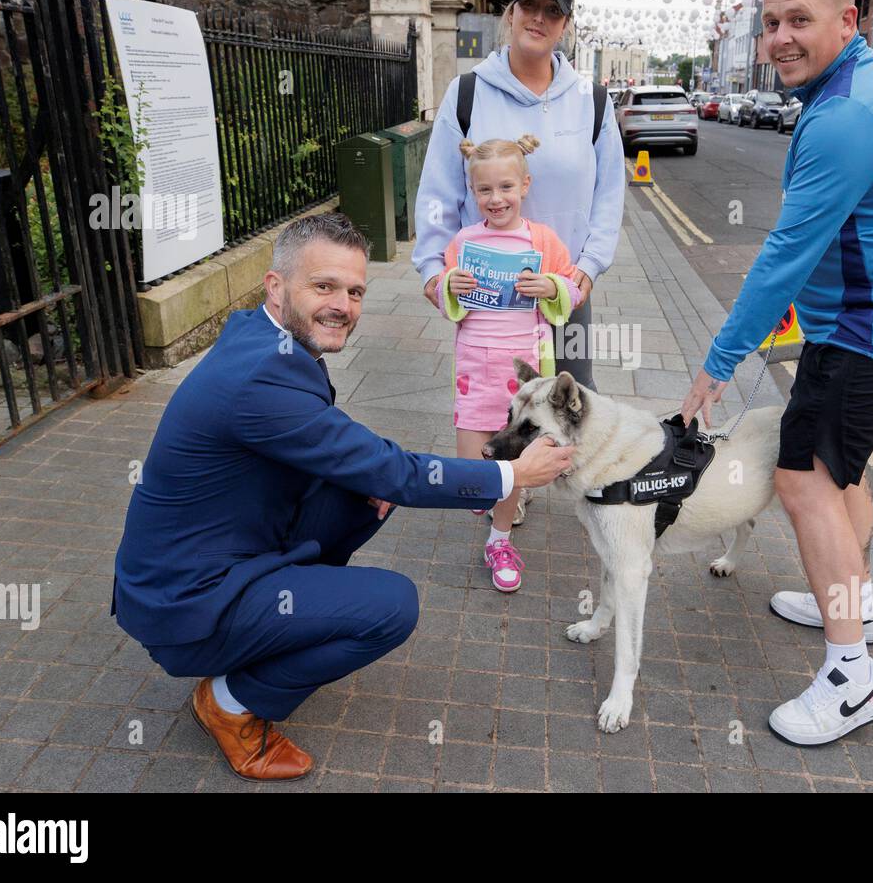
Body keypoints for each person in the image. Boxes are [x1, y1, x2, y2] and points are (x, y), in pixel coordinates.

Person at [111, 213, 574, 781]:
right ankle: (230, 702)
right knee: (391, 605)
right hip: (186, 602)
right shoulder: (262, 378)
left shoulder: (260, 337)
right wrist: (513, 475)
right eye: (323, 286)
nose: (343, 305)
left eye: (354, 291)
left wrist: (375, 477)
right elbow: (393, 471)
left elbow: (345, 449)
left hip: (219, 552)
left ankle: (289, 618)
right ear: (276, 287)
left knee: (363, 492)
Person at [679, 0, 873, 747]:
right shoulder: (851, 81)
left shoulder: (848, 115)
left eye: (800, 19)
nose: (781, 37)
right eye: (771, 22)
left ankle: (851, 676)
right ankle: (857, 604)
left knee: (802, 480)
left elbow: (783, 255)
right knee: (840, 470)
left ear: (847, 18)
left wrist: (717, 363)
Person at [414, 0, 625, 392]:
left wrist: (591, 264)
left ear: (564, 25)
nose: (538, 18)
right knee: (498, 408)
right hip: (488, 288)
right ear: (509, 14)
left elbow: (610, 191)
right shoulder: (467, 92)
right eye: (528, 5)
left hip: (563, 288)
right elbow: (439, 188)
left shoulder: (592, 100)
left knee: (572, 402)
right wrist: (433, 271)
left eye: (552, 11)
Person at [439, 134, 583, 592]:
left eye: (505, 188)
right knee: (474, 481)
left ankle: (500, 541)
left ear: (525, 185)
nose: (495, 199)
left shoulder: (542, 239)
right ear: (472, 192)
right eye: (484, 190)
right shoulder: (463, 241)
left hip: (522, 380)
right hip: (474, 373)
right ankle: (495, 498)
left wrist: (553, 288)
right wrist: (449, 287)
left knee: (509, 469)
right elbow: (447, 302)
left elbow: (573, 290)